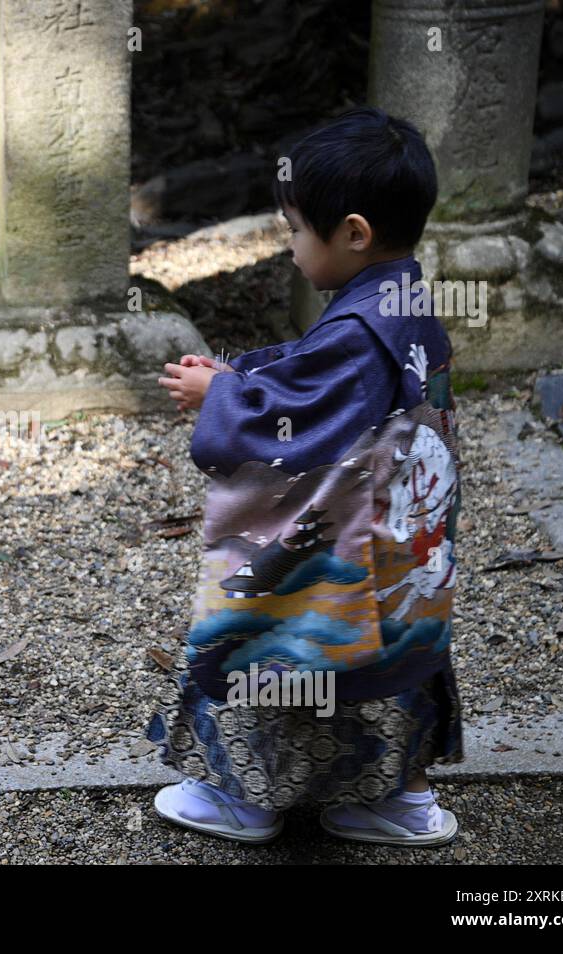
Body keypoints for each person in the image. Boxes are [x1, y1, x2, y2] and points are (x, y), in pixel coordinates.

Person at [145, 107, 464, 847]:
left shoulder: (360, 328)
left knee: (278, 640)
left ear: (353, 233)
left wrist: (221, 399)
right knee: (393, 665)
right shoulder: (402, 302)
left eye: (293, 230)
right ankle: (401, 800)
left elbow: (314, 414)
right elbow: (323, 389)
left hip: (342, 550)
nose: (286, 247)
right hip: (404, 548)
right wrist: (242, 375)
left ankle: (246, 798)